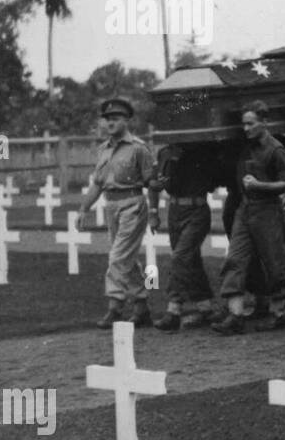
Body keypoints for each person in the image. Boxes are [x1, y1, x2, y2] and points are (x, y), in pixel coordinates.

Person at [212, 101, 285, 334]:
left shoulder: (275, 149)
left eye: (251, 123)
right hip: (245, 209)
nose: (246, 128)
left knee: (274, 262)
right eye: (244, 124)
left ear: (264, 122)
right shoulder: (243, 147)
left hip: (267, 210)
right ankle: (235, 315)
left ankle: (279, 311)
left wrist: (261, 185)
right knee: (235, 259)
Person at [78, 98, 156, 328]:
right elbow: (98, 183)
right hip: (111, 206)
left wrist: (153, 211)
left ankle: (115, 307)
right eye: (107, 119)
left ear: (127, 120)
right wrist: (84, 208)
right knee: (126, 258)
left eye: (115, 119)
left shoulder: (138, 148)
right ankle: (141, 307)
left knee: (118, 257)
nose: (110, 123)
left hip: (132, 204)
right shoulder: (104, 150)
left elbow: (151, 182)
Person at [148, 142, 218, 330]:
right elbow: (153, 182)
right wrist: (153, 212)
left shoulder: (202, 149)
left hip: (197, 209)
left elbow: (212, 182)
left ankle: (174, 309)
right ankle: (206, 308)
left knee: (180, 257)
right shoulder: (164, 152)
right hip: (175, 211)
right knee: (191, 259)